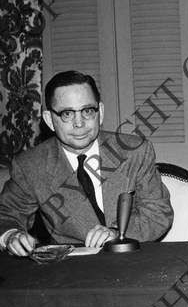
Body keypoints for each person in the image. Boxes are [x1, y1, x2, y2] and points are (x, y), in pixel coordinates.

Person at [0, 70, 173, 255]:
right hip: (72, 271)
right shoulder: (30, 165)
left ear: (101, 112)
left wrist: (116, 234)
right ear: (50, 120)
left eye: (88, 111)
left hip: (132, 260)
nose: (79, 123)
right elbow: (7, 215)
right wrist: (11, 236)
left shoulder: (135, 151)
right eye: (67, 113)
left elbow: (158, 214)